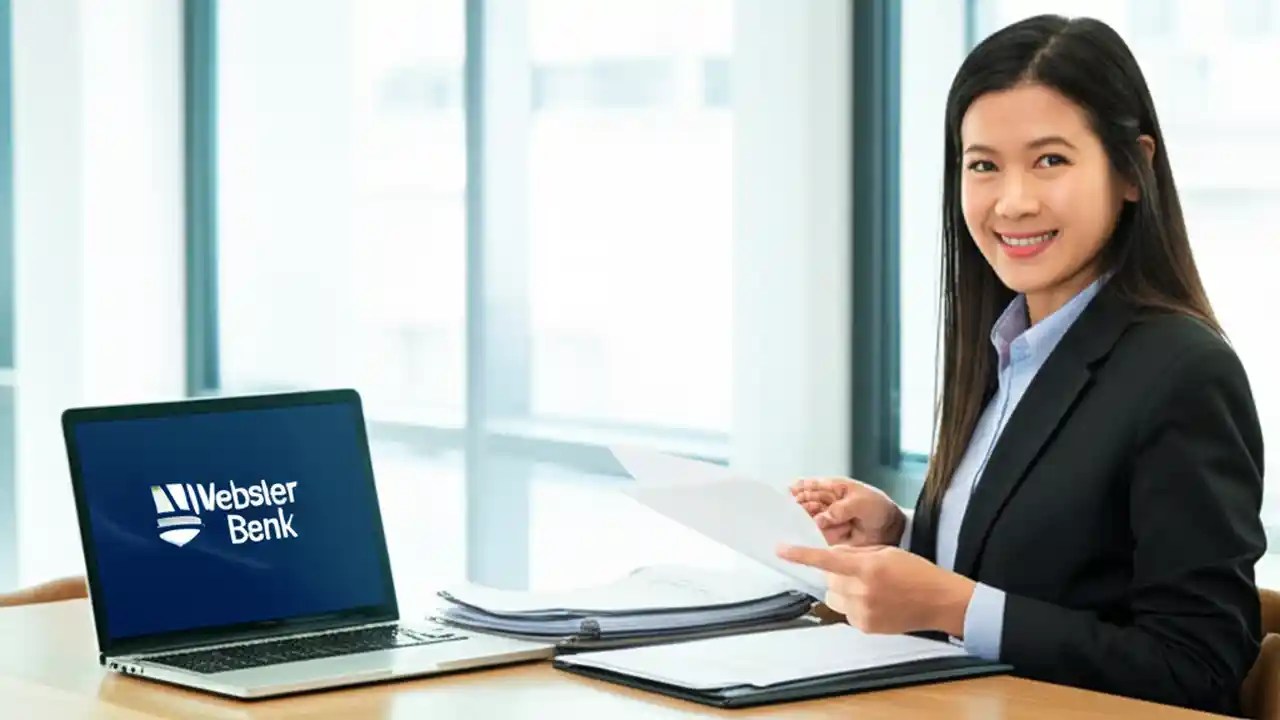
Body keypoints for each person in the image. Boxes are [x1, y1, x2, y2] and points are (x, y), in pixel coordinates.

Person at [776, 14, 1265, 716]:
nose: (1013, 201)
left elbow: (1199, 667)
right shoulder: (1005, 348)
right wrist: (906, 537)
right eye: (983, 165)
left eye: (1050, 160)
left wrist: (958, 604)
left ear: (1133, 171)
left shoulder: (1184, 373)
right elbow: (1050, 564)